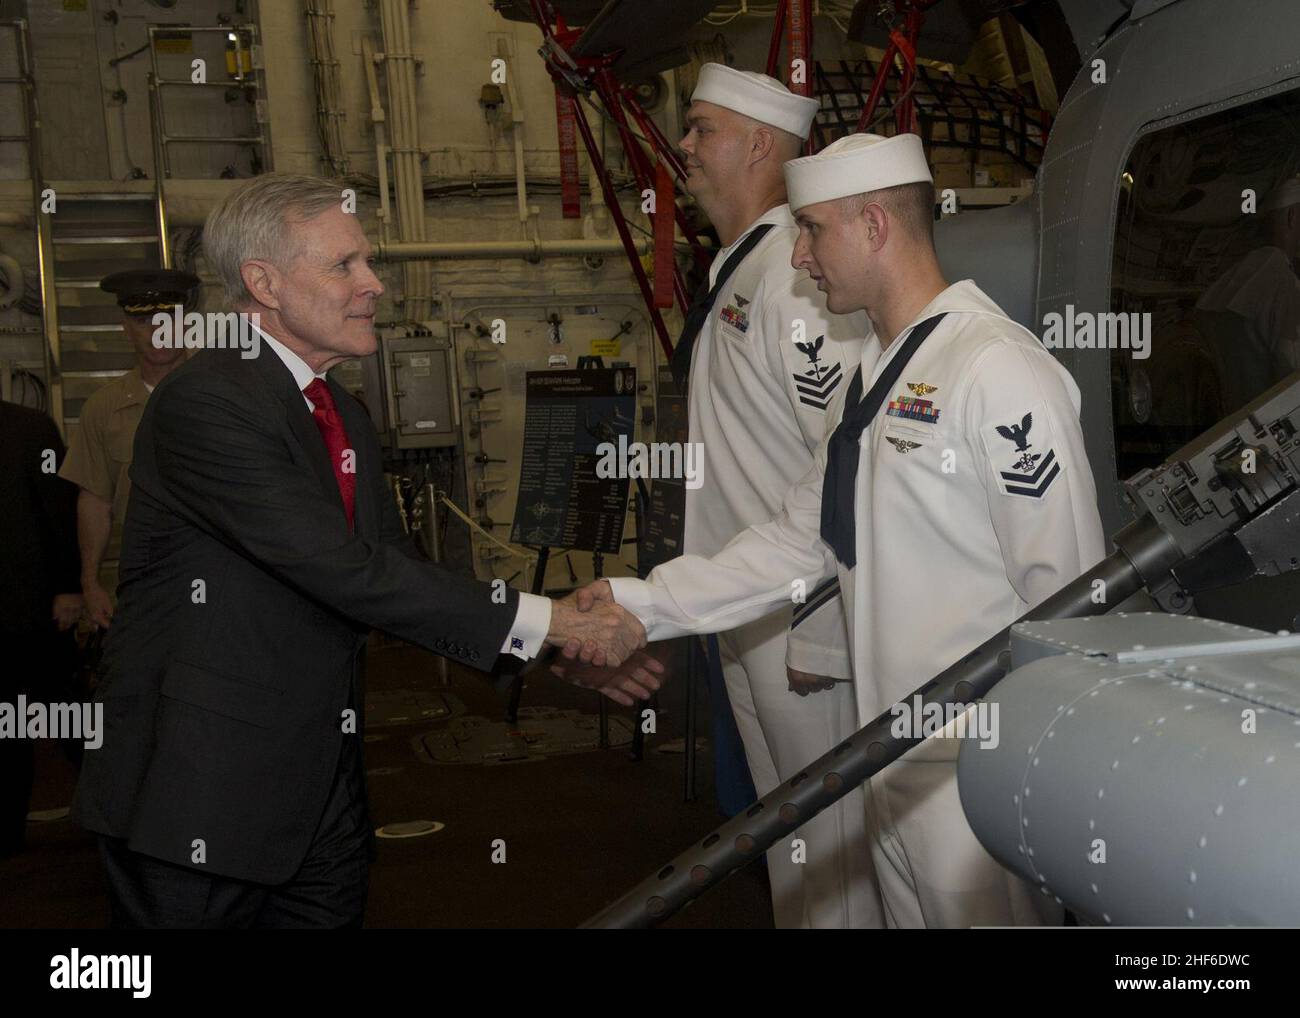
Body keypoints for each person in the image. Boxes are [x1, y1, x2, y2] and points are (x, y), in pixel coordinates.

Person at [71, 173, 651, 928]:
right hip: (200, 795)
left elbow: (396, 565)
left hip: (321, 795)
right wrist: (554, 621)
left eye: (367, 262)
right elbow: (340, 569)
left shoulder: (337, 407)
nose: (373, 284)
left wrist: (544, 644)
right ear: (264, 283)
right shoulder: (206, 401)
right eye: (345, 264)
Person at [571, 133, 1106, 927]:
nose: (799, 258)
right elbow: (799, 541)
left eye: (812, 230)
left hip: (976, 770)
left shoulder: (996, 369)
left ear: (874, 227)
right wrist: (638, 602)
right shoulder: (875, 373)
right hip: (888, 758)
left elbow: (1072, 597)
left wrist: (1054, 782)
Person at [667, 63, 880, 929]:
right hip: (744, 615)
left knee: (831, 854)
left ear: (759, 144)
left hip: (799, 629)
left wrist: (824, 631)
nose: (683, 147)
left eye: (700, 128)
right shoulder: (739, 269)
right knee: (791, 852)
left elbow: (848, 461)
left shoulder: (797, 279)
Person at [59, 268, 199, 629]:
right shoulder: (103, 408)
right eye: (144, 321)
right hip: (142, 578)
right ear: (125, 327)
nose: (158, 332)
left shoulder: (225, 395)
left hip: (220, 572)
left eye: (169, 318)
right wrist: (90, 583)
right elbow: (95, 501)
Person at [0, 400, 82, 855]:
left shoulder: (29, 428)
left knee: (67, 717)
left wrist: (69, 587)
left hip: (33, 613)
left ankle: (120, 817)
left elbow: (60, 507)